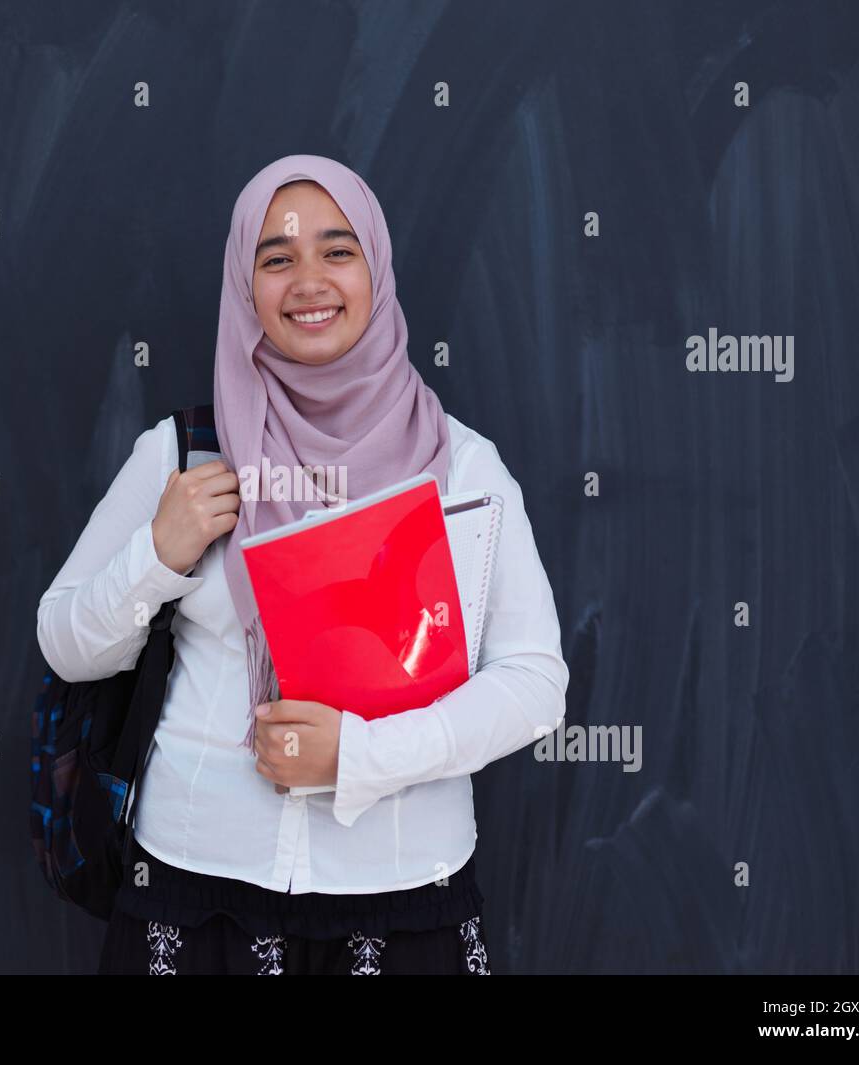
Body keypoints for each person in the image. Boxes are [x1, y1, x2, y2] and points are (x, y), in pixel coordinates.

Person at [36, 154, 569, 975]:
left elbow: (535, 682)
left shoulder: (461, 466)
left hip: (402, 898)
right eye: (276, 258)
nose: (308, 281)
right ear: (246, 290)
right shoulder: (184, 455)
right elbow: (64, 641)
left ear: (376, 268)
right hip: (193, 888)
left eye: (337, 250)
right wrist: (159, 555)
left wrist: (359, 757)